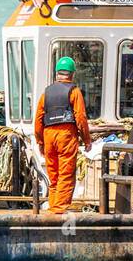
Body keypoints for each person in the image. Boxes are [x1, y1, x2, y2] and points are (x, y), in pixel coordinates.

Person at [34, 56, 92, 214]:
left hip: (48, 135)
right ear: (72, 74)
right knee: (66, 173)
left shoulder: (46, 93)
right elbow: (80, 117)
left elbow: (38, 119)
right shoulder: (74, 91)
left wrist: (40, 142)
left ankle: (53, 206)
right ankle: (59, 210)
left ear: (57, 73)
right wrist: (87, 140)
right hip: (66, 135)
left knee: (53, 174)